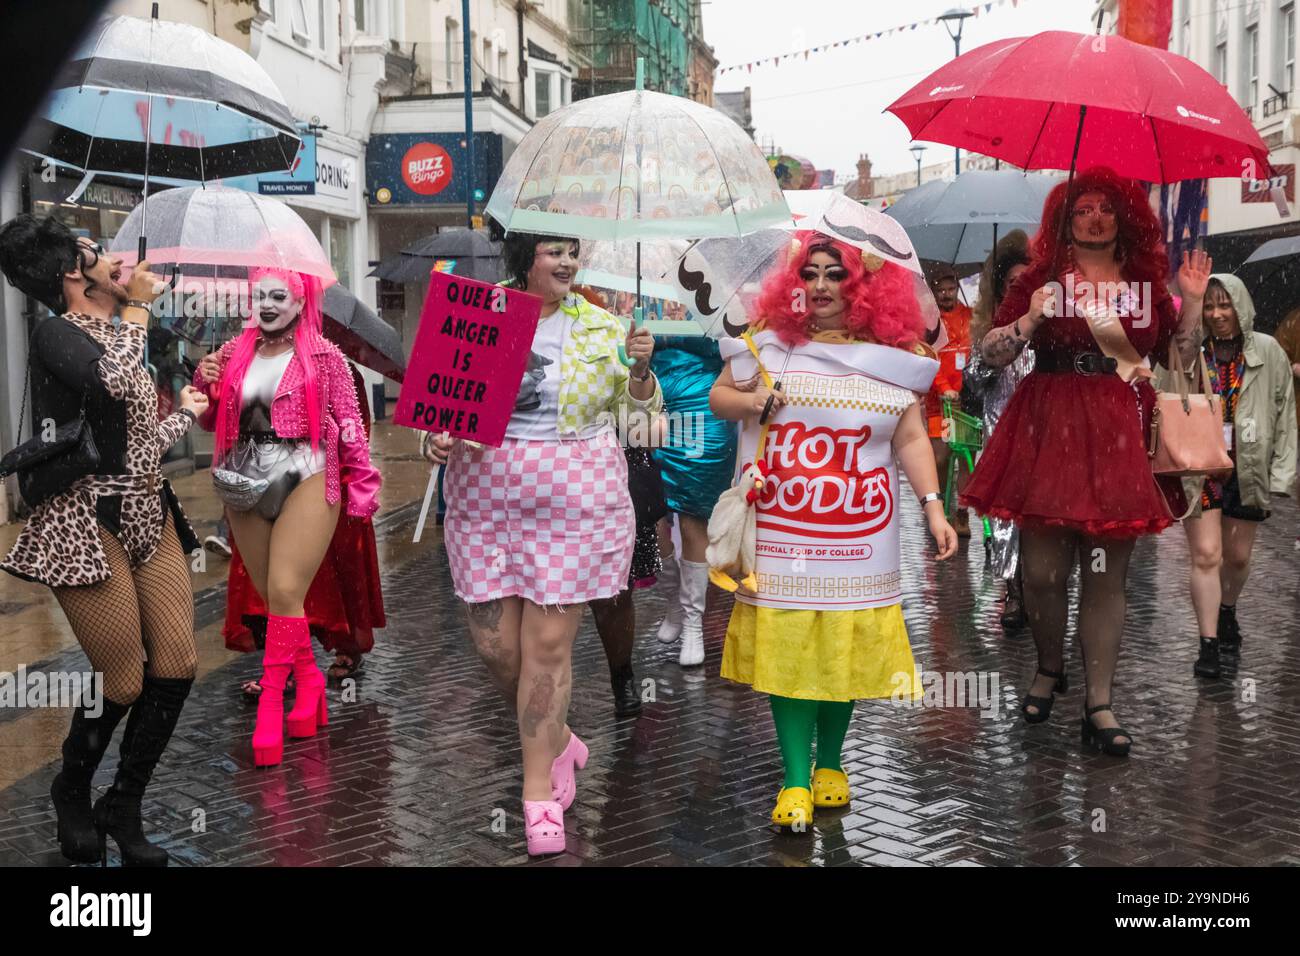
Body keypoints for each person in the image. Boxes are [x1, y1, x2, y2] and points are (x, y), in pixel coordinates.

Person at [421, 232, 662, 855]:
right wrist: (435, 442)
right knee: (497, 648)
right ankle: (557, 740)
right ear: (525, 256)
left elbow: (642, 426)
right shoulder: (481, 314)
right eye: (553, 250)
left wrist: (639, 372)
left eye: (573, 250)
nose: (567, 261)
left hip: (574, 508)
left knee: (547, 648)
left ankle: (537, 795)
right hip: (481, 504)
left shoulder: (608, 328)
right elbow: (439, 412)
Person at [709, 232, 957, 829]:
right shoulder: (764, 348)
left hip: (858, 542)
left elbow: (911, 437)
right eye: (811, 274)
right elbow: (721, 397)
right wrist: (751, 405)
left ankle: (832, 765)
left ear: (863, 286)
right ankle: (795, 777)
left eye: (835, 274)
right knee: (790, 651)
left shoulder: (894, 360)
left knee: (840, 649)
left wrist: (933, 505)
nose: (819, 286)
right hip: (781, 533)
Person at [962, 166, 1211, 757]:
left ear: (1122, 218)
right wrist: (1027, 319)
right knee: (1044, 574)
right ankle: (1051, 665)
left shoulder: (1147, 284)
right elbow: (989, 353)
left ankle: (1099, 702)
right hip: (1048, 426)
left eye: (1105, 208)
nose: (1095, 217)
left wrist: (1193, 303)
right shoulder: (1045, 280)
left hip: (1118, 430)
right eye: (1083, 209)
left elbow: (1179, 353)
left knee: (1107, 578)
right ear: (1064, 221)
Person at [0, 215, 207, 866]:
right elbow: (112, 381)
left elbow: (134, 447)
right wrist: (140, 307)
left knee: (175, 666)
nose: (120, 261)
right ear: (70, 270)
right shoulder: (55, 334)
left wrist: (191, 411)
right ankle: (70, 787)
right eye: (99, 253)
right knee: (122, 679)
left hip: (150, 509)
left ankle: (124, 803)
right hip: (85, 523)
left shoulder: (123, 333)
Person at [195, 266, 380, 768]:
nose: (270, 304)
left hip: (308, 471)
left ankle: (273, 704)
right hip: (243, 475)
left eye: (281, 296)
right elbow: (211, 417)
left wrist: (362, 485)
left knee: (283, 590)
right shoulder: (233, 353)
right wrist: (204, 379)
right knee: (280, 598)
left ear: (300, 304)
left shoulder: (326, 357)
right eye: (261, 296)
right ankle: (312, 681)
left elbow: (350, 425)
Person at [223, 363, 386, 693]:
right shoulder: (263, 364)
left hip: (320, 490)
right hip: (268, 489)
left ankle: (338, 652)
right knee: (276, 586)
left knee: (321, 584)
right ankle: (287, 666)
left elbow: (355, 435)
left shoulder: (338, 369)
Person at [1161, 275, 1295, 678]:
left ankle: (1227, 609)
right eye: (1210, 305)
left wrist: (1282, 472)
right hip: (1200, 465)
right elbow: (1162, 393)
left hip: (1247, 466)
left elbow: (1284, 412)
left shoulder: (1268, 352)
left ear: (1241, 306)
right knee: (1206, 555)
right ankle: (1208, 644)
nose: (1218, 314)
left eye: (1226, 304)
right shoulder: (1189, 348)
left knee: (1236, 558)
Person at [652, 327, 739, 668]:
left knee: (692, 521)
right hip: (649, 409)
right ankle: (672, 601)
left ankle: (692, 624)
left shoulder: (718, 295)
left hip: (704, 417)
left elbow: (736, 349)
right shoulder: (644, 289)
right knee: (653, 521)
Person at [965, 231, 1034, 628]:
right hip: (1002, 437)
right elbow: (973, 379)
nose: (1020, 291)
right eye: (1012, 285)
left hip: (1046, 438)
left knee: (1040, 521)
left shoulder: (1053, 329)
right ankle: (1013, 590)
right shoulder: (991, 332)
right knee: (1006, 521)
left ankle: (1042, 591)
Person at [924, 266, 974, 537]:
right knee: (941, 458)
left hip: (966, 402)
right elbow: (929, 359)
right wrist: (944, 387)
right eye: (940, 290)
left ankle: (963, 513)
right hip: (940, 404)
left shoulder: (972, 317)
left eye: (950, 289)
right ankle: (939, 507)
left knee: (967, 456)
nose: (946, 294)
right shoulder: (930, 323)